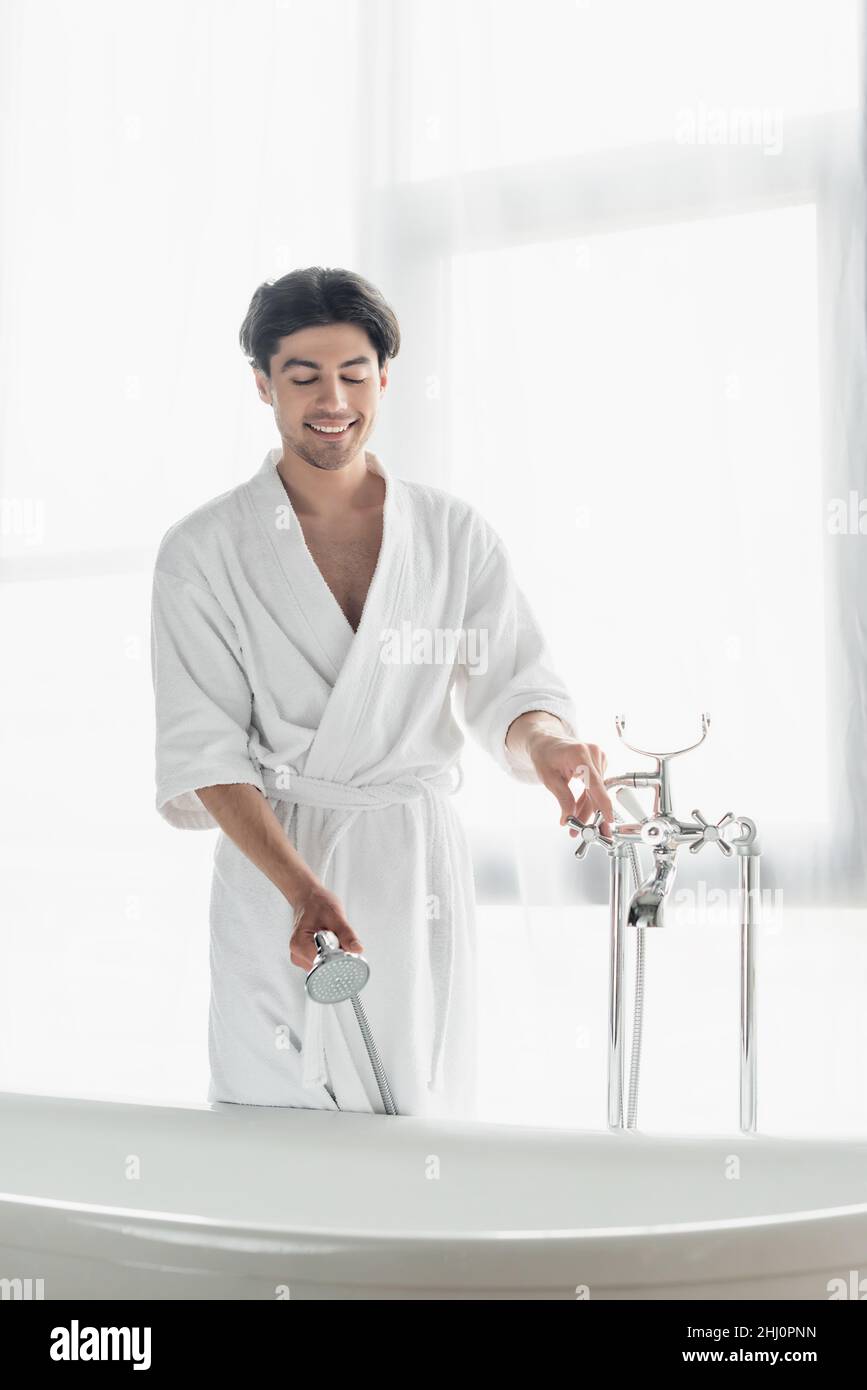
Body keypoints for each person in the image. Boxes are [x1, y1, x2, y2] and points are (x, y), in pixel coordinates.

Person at [149, 265, 614, 1118]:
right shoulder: (203, 550)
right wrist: (301, 891)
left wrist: (550, 745)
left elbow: (513, 686)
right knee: (270, 1112)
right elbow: (205, 750)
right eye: (303, 376)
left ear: (384, 378)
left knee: (416, 1110)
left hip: (412, 866)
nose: (333, 399)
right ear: (263, 384)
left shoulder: (450, 533)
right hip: (275, 863)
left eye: (354, 373)